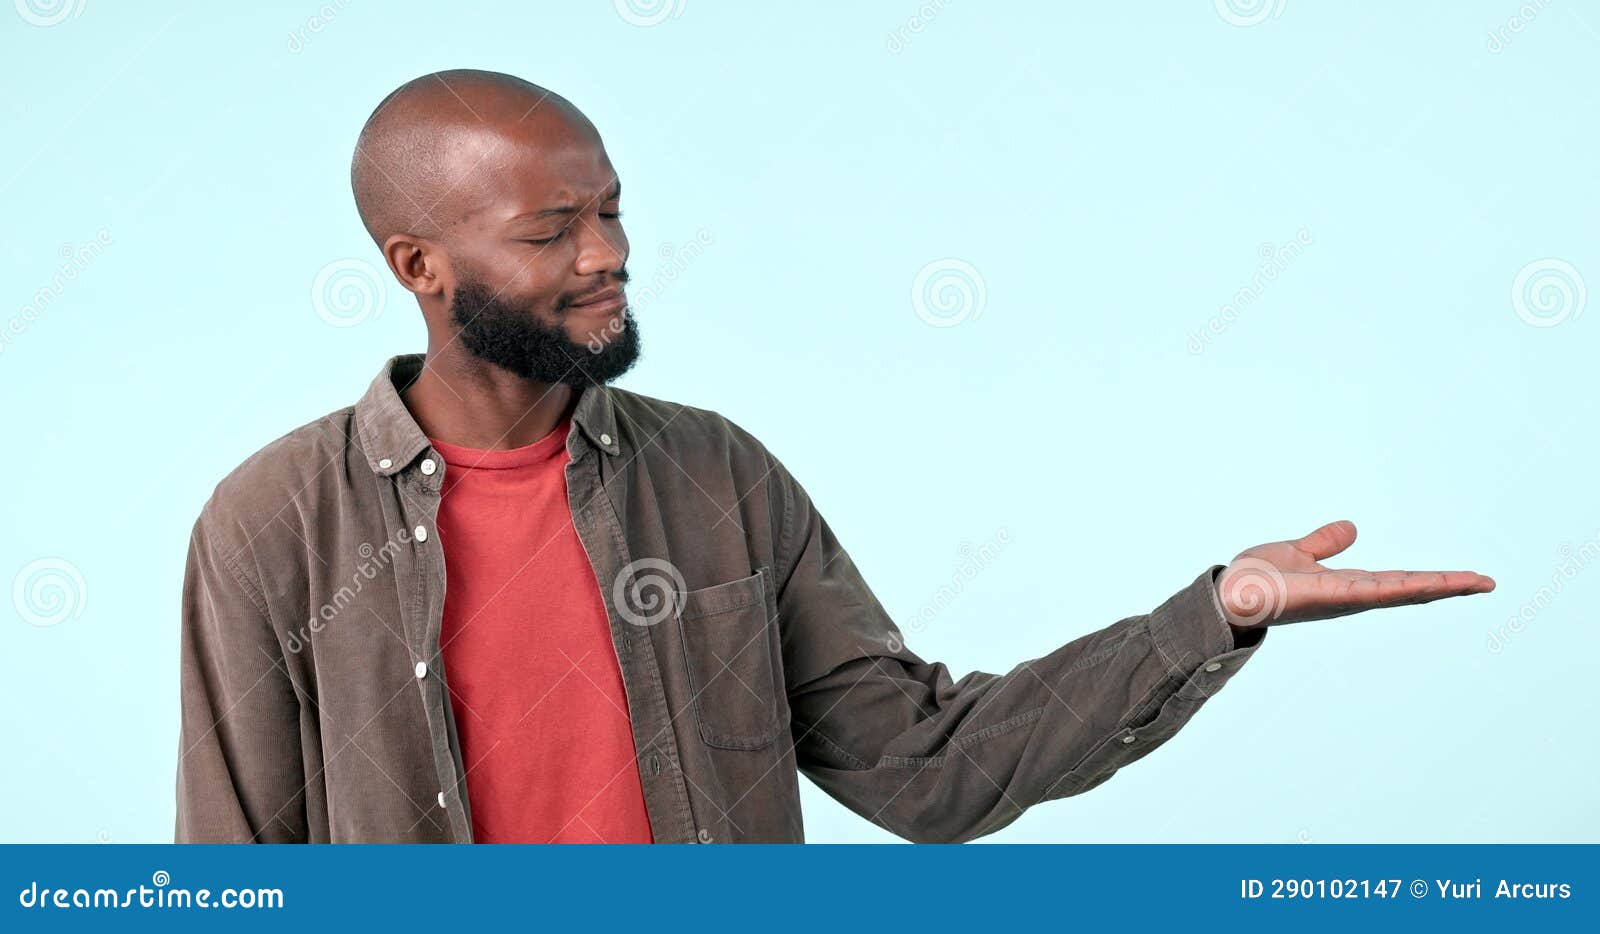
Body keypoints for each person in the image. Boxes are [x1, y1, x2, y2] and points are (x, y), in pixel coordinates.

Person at [174, 70, 1495, 844]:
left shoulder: (715, 479)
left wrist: (1212, 612)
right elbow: (234, 875)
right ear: (418, 265)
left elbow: (920, 762)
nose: (610, 254)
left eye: (615, 211)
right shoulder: (275, 523)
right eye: (553, 228)